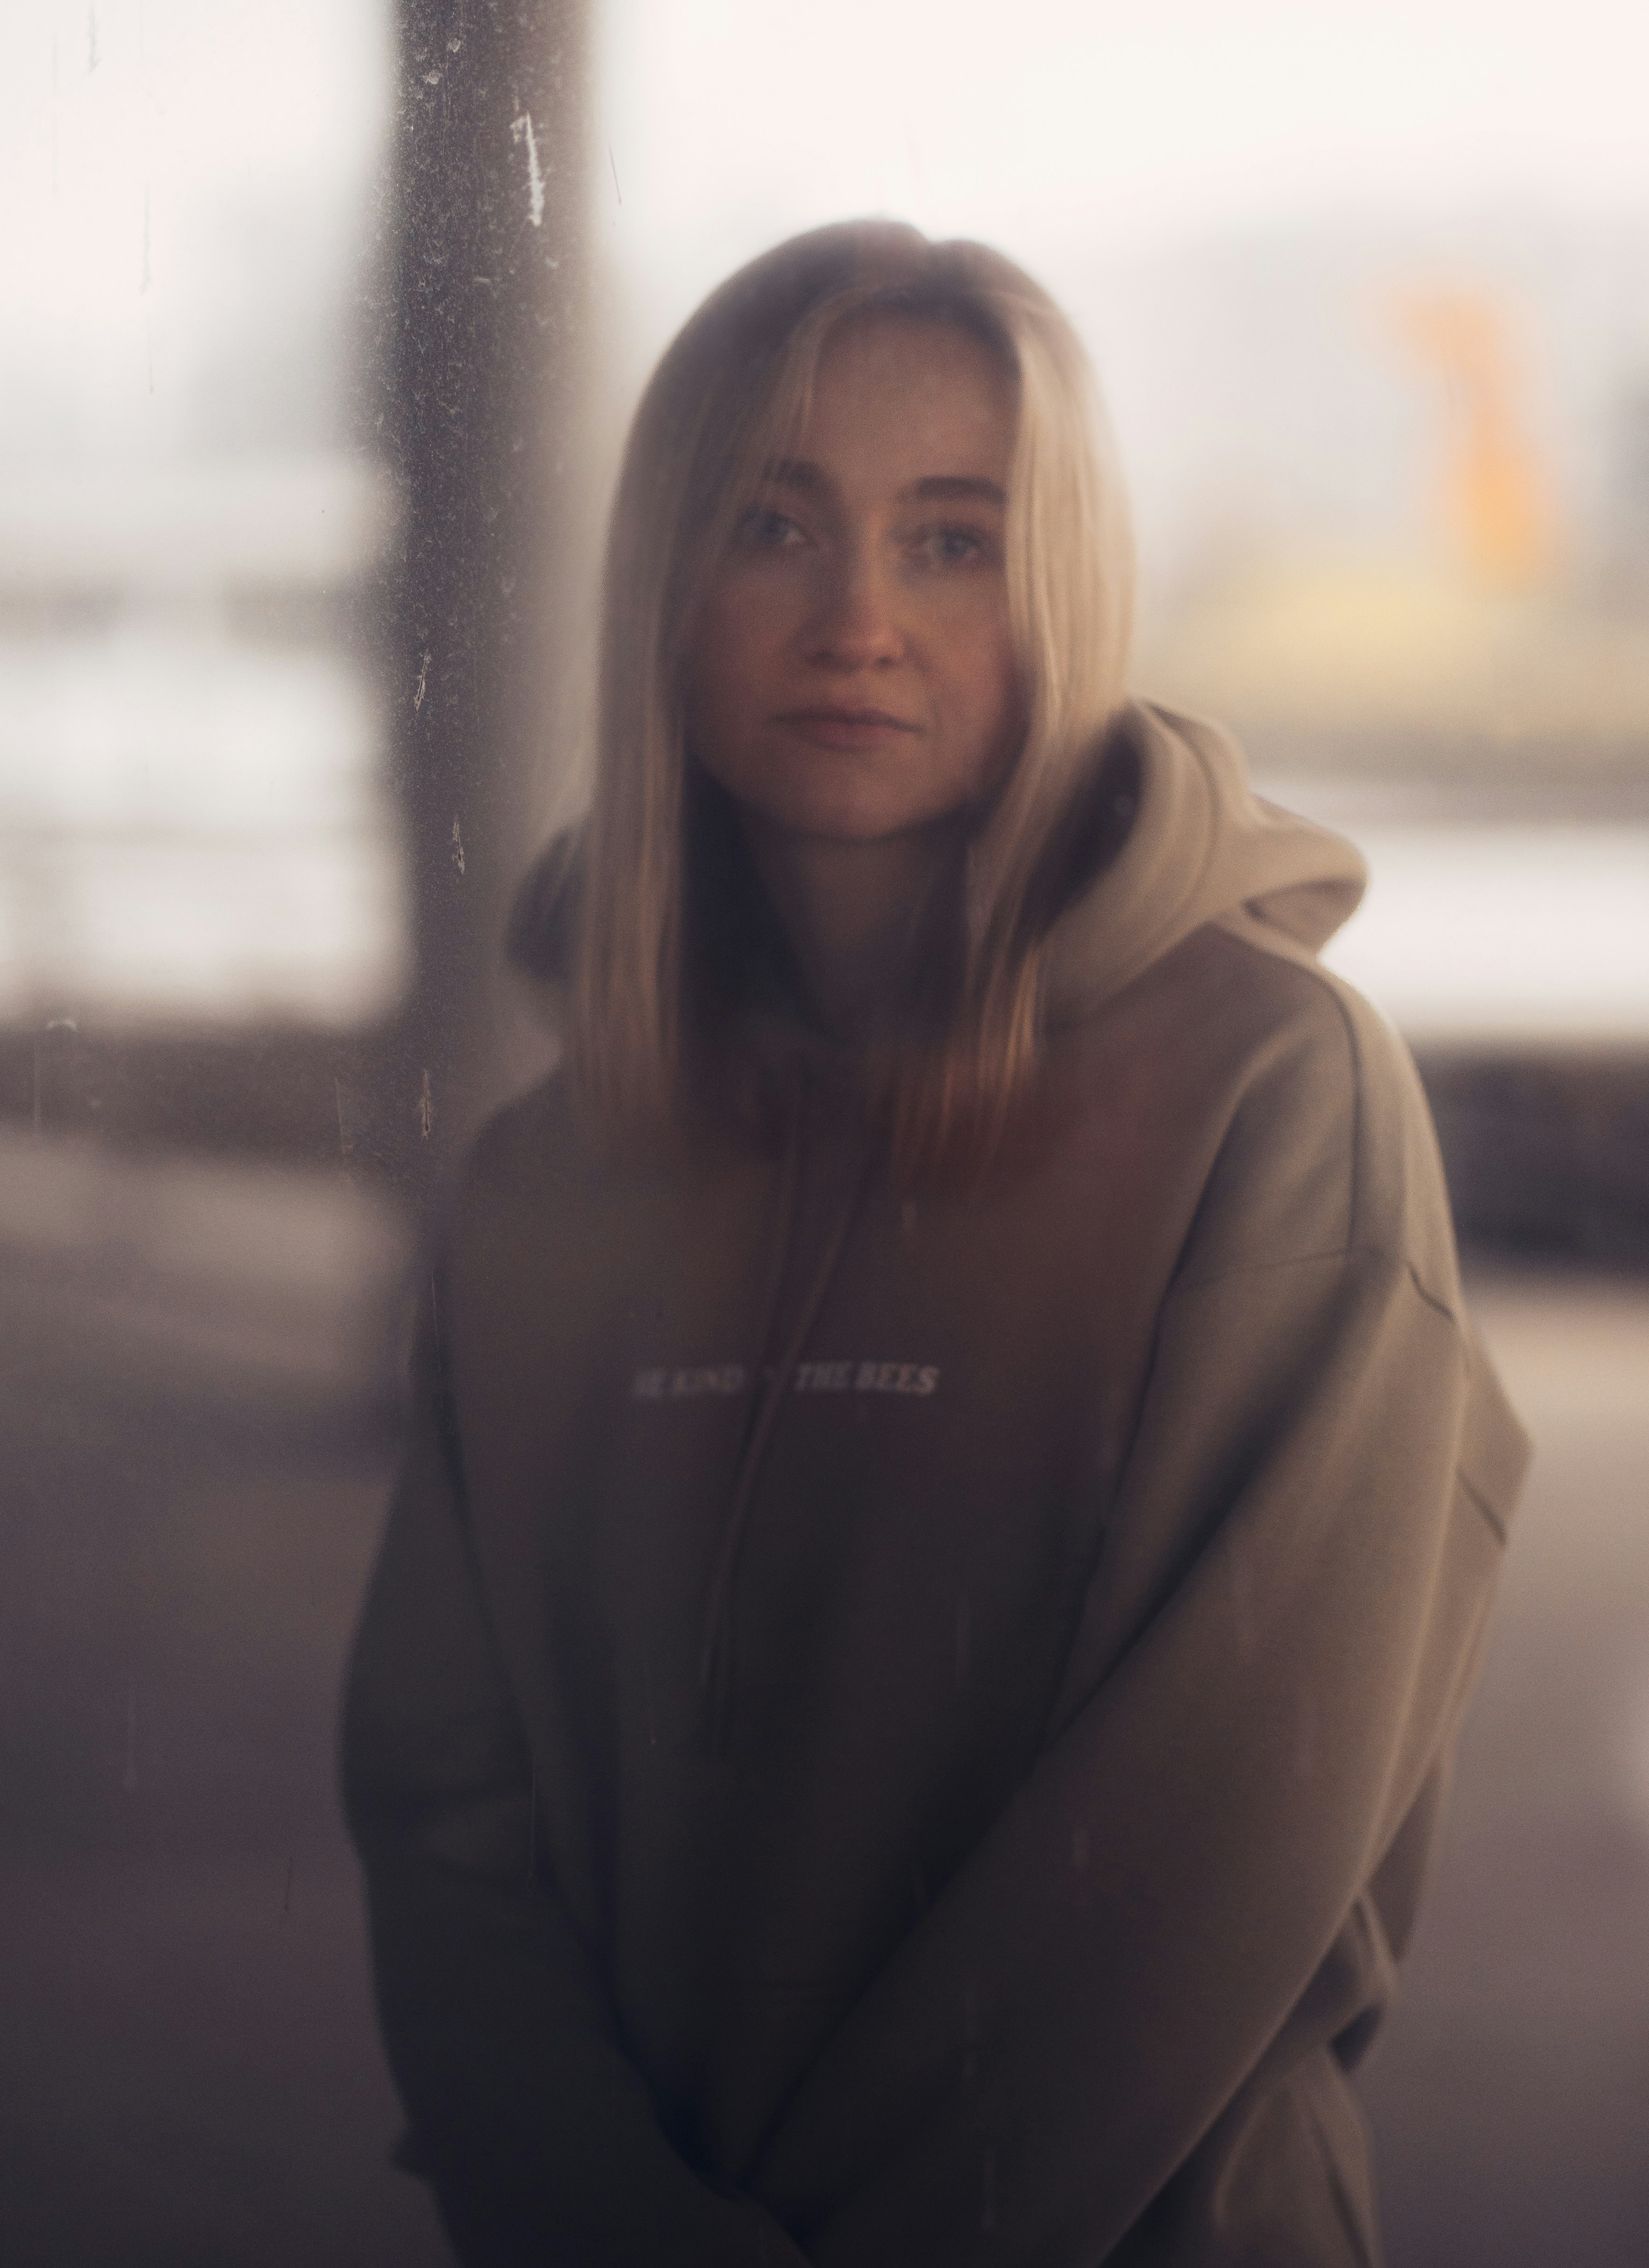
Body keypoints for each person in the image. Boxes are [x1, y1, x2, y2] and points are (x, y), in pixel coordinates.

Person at [341, 220, 1529, 2267]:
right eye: (776, 526)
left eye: (954, 541)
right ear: (665, 589)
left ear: (1061, 588)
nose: (860, 620)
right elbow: (452, 1823)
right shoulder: (553, 1175)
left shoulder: (1278, 1101)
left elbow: (1206, 1855)